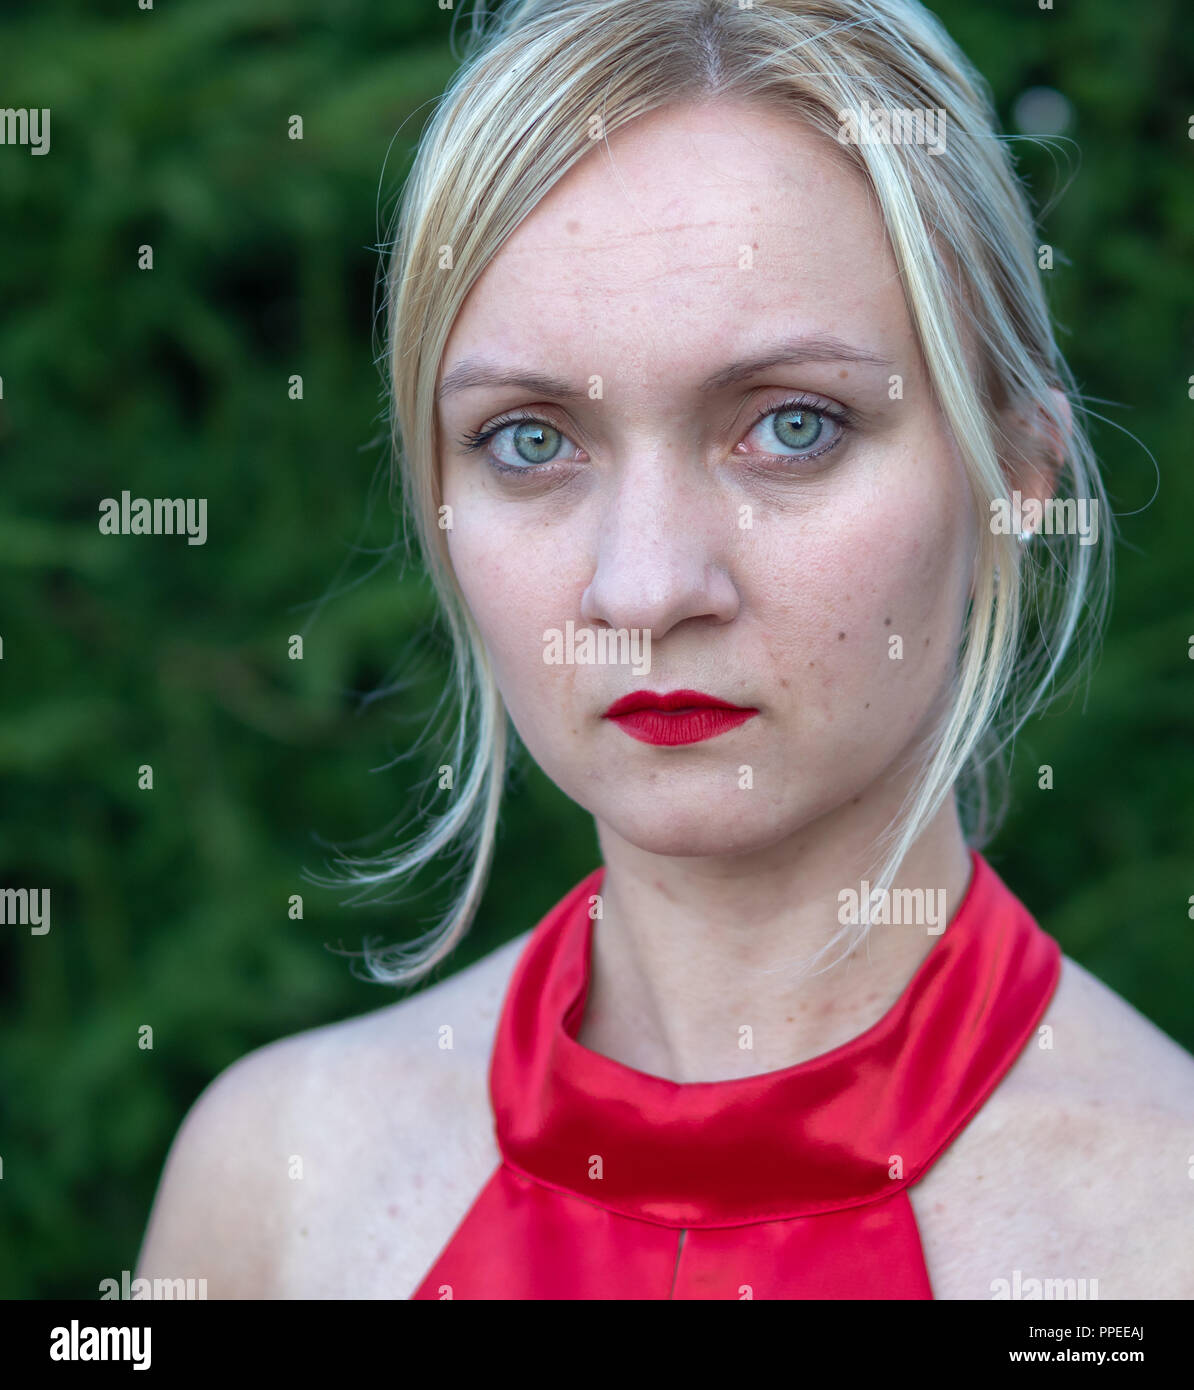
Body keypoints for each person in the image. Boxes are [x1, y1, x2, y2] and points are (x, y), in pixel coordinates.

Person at [136, 0, 1194, 1298]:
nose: (643, 585)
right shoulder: (278, 1182)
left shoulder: (1160, 1226)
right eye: (529, 440)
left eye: (791, 425)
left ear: (1015, 472)